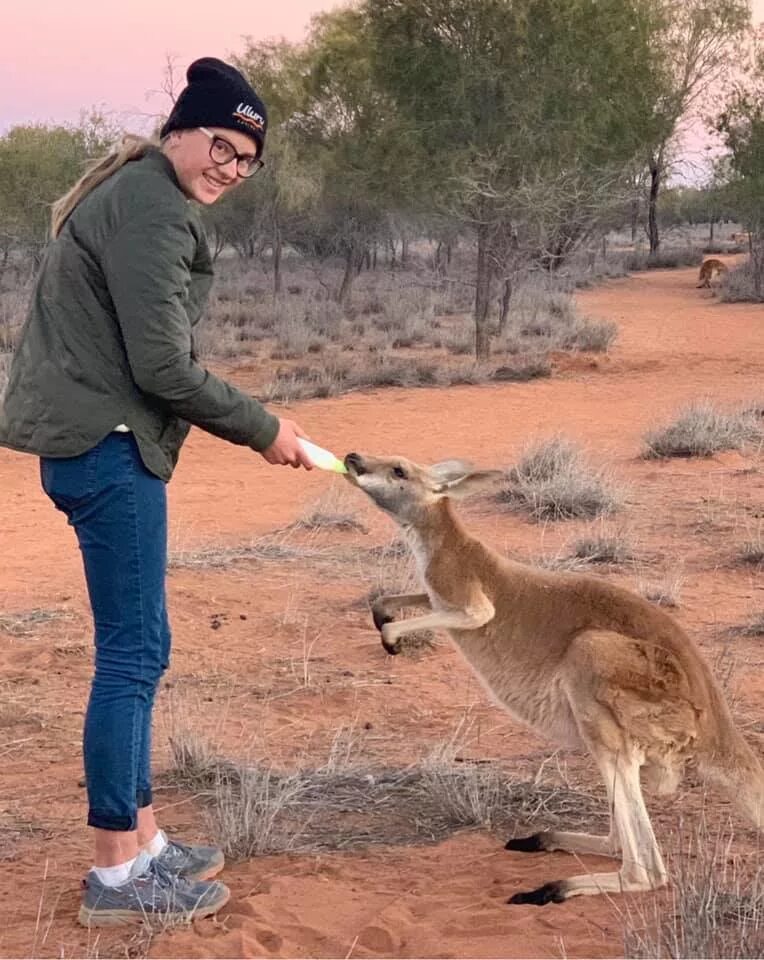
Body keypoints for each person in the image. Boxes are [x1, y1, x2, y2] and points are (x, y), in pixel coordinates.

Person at [0, 56, 314, 927]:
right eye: (221, 144)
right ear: (180, 131)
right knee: (132, 657)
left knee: (144, 645)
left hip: (96, 445)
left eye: (246, 159)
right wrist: (264, 430)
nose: (231, 167)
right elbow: (164, 367)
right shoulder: (150, 208)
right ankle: (114, 877)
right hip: (108, 450)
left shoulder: (143, 195)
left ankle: (142, 839)